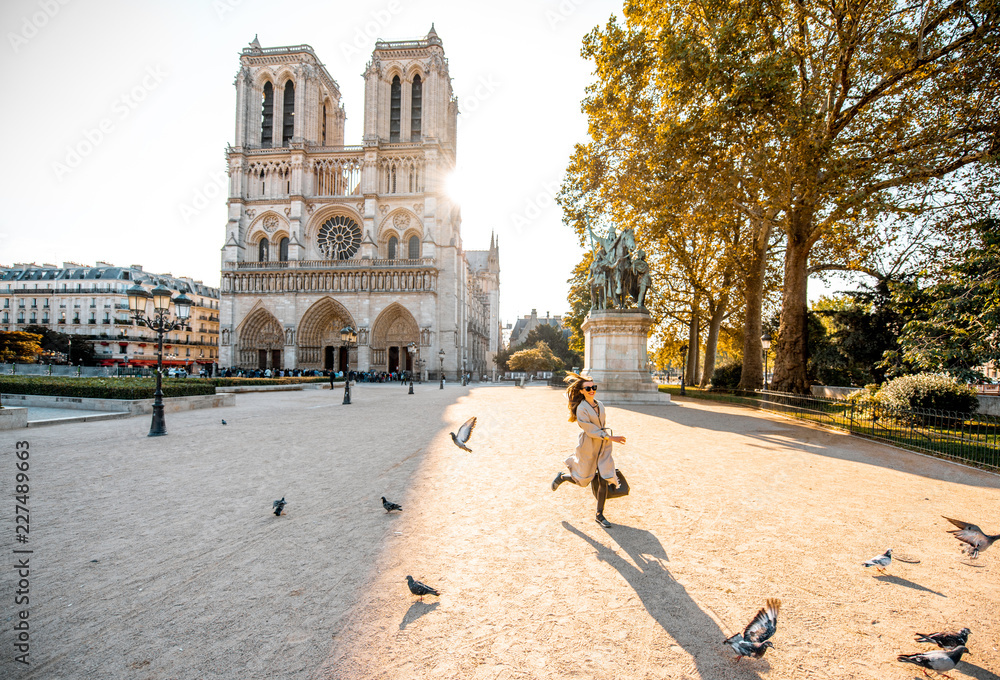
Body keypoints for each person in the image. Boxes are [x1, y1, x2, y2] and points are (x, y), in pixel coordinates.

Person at [551, 372, 626, 528]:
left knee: (604, 478)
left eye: (594, 387)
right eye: (588, 388)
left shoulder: (600, 404)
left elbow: (600, 424)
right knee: (583, 479)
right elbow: (591, 430)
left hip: (603, 446)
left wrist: (607, 439)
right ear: (582, 391)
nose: (592, 390)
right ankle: (563, 477)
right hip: (589, 446)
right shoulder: (581, 409)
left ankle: (599, 514)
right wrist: (611, 437)